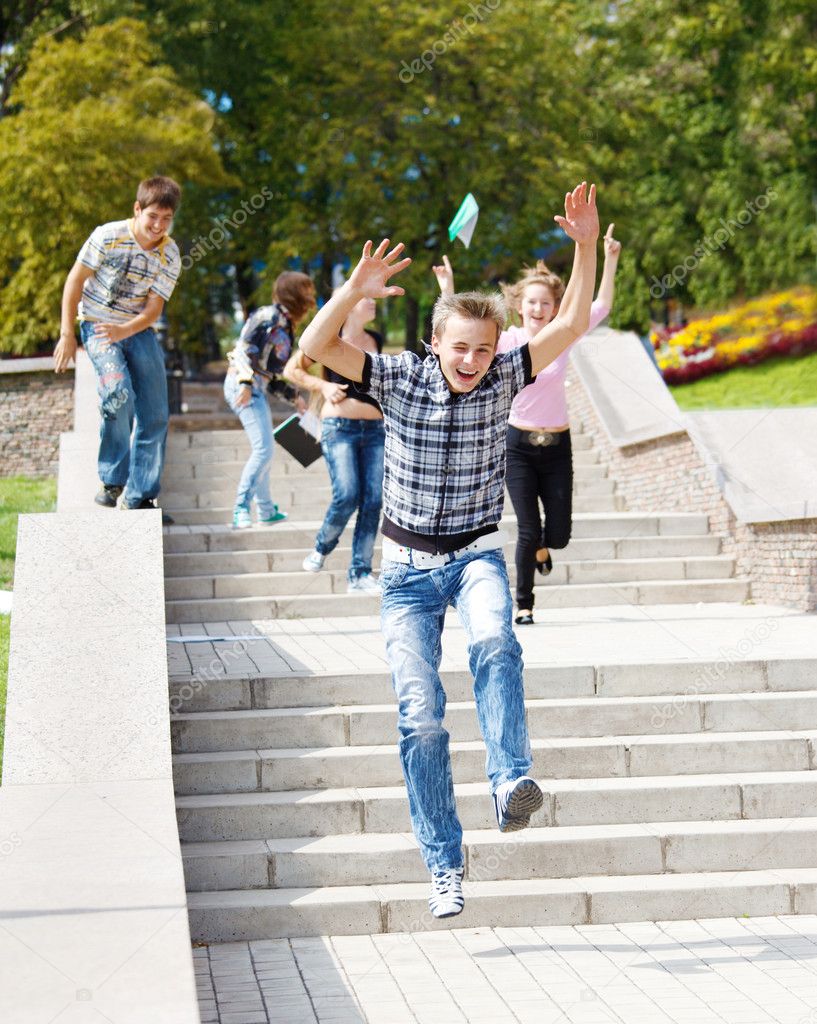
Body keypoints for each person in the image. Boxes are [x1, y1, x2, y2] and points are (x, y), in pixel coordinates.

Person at [299, 181, 600, 919]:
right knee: (420, 716)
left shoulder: (504, 372)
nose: (470, 360)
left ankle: (509, 781)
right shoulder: (397, 375)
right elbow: (313, 348)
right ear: (433, 343)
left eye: (482, 349)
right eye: (458, 347)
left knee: (496, 641)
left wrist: (585, 246)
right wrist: (351, 289)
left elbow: (567, 326)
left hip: (473, 556)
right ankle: (444, 863)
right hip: (404, 571)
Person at [434, 224, 621, 623]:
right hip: (516, 443)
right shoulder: (508, 341)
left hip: (557, 444)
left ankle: (542, 549)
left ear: (555, 308)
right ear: (521, 306)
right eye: (532, 303)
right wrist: (447, 289)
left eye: (546, 304)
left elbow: (600, 305)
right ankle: (524, 604)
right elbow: (458, 329)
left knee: (558, 536)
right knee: (526, 526)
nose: (539, 310)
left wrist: (610, 258)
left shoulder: (562, 336)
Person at [53, 176, 182, 523]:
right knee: (118, 394)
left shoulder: (169, 253)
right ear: (137, 209)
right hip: (96, 325)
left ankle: (140, 496)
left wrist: (124, 329)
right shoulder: (107, 236)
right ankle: (112, 481)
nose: (158, 226)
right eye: (152, 216)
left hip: (136, 330)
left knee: (156, 411)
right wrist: (68, 333)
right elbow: (75, 281)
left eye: (166, 219)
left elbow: (153, 310)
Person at [283, 295, 385, 592]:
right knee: (347, 494)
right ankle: (321, 547)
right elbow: (292, 370)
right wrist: (323, 386)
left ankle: (360, 573)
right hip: (339, 427)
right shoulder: (330, 338)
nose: (373, 302)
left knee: (373, 500)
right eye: (367, 299)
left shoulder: (376, 338)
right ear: (350, 303)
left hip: (375, 429)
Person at [223, 272, 316, 529]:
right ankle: (241, 507)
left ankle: (264, 510)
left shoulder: (287, 325)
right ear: (293, 293)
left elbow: (271, 375)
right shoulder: (267, 317)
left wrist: (294, 397)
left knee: (265, 449)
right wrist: (244, 383)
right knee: (264, 448)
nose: (311, 296)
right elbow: (243, 351)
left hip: (256, 388)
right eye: (306, 290)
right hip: (242, 386)